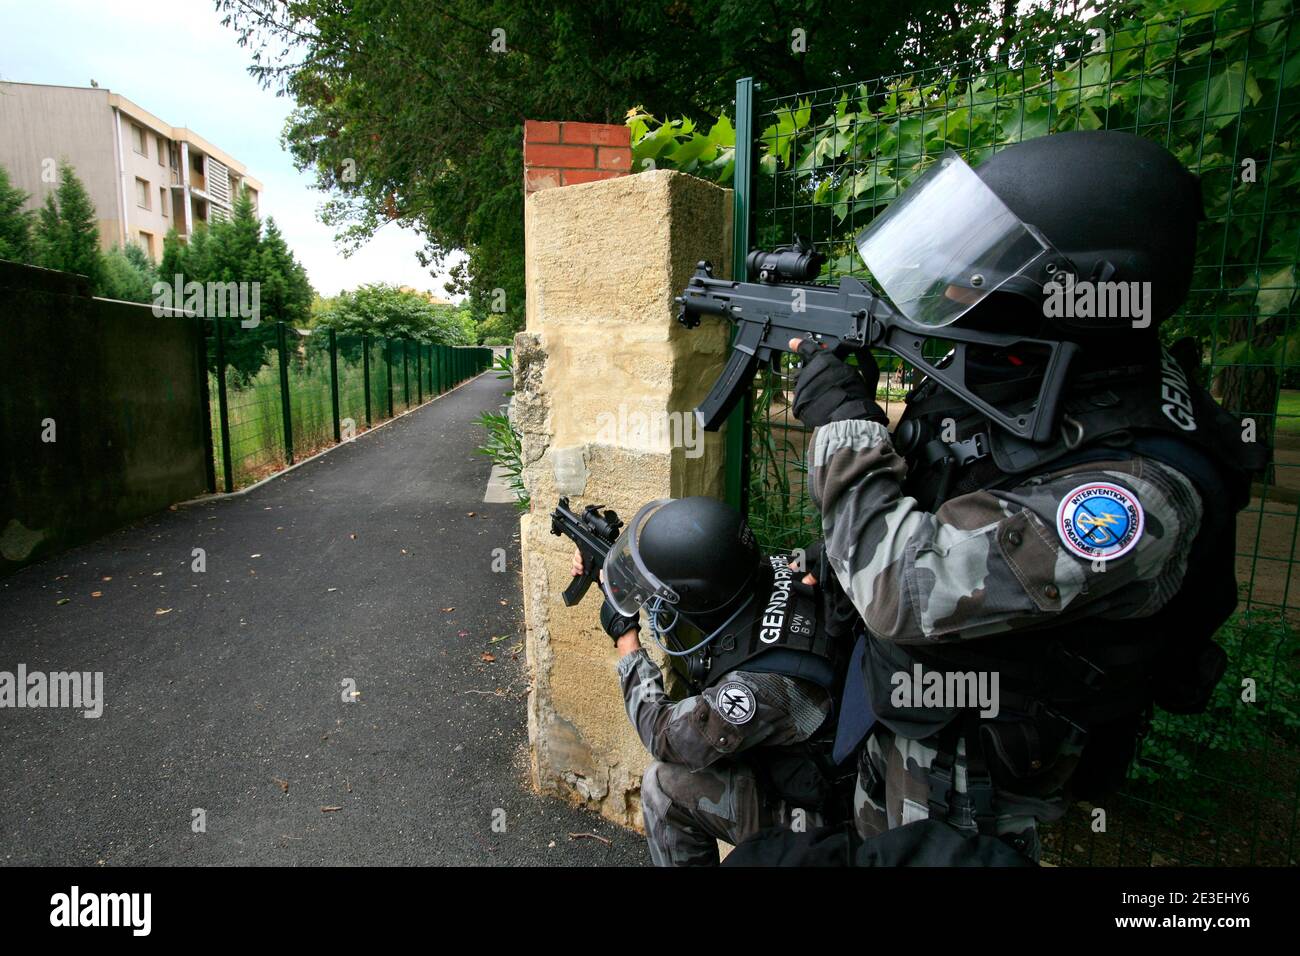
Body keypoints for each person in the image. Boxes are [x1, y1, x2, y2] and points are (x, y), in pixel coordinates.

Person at [758, 130, 1267, 863]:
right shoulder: (1037, 374)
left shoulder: (1133, 493)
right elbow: (956, 489)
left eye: (993, 271)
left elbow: (904, 588)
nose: (961, 287)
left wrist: (843, 428)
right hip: (914, 715)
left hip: (973, 779)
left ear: (1083, 295)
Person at [570, 496, 849, 866]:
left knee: (663, 787)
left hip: (821, 817)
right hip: (806, 763)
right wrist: (617, 571)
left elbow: (663, 735)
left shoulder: (754, 687)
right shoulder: (781, 569)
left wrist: (626, 638)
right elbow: (696, 590)